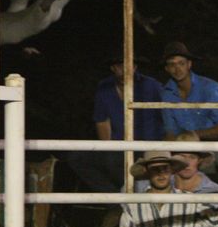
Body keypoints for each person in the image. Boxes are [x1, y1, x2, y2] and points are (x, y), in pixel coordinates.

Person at [67, 53, 165, 194]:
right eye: (120, 66)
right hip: (119, 146)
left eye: (129, 66)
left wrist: (160, 146)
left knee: (114, 161)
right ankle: (115, 201)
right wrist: (108, 148)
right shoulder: (104, 87)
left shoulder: (152, 86)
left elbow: (168, 115)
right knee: (77, 157)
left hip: (147, 146)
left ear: (135, 67)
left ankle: (134, 198)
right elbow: (102, 121)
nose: (125, 70)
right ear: (113, 68)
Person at [160, 41, 218, 185]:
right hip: (185, 147)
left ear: (189, 64)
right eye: (172, 64)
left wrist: (193, 136)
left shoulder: (210, 88)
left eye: (181, 63)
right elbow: (170, 132)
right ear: (167, 68)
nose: (177, 69)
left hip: (216, 144)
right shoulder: (166, 93)